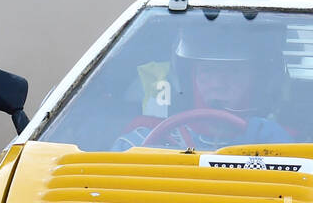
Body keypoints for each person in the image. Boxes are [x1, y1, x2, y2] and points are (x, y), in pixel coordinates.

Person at [114, 25, 289, 151]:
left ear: (259, 82)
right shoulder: (144, 141)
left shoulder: (277, 145)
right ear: (189, 80)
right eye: (207, 71)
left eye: (234, 72)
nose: (218, 84)